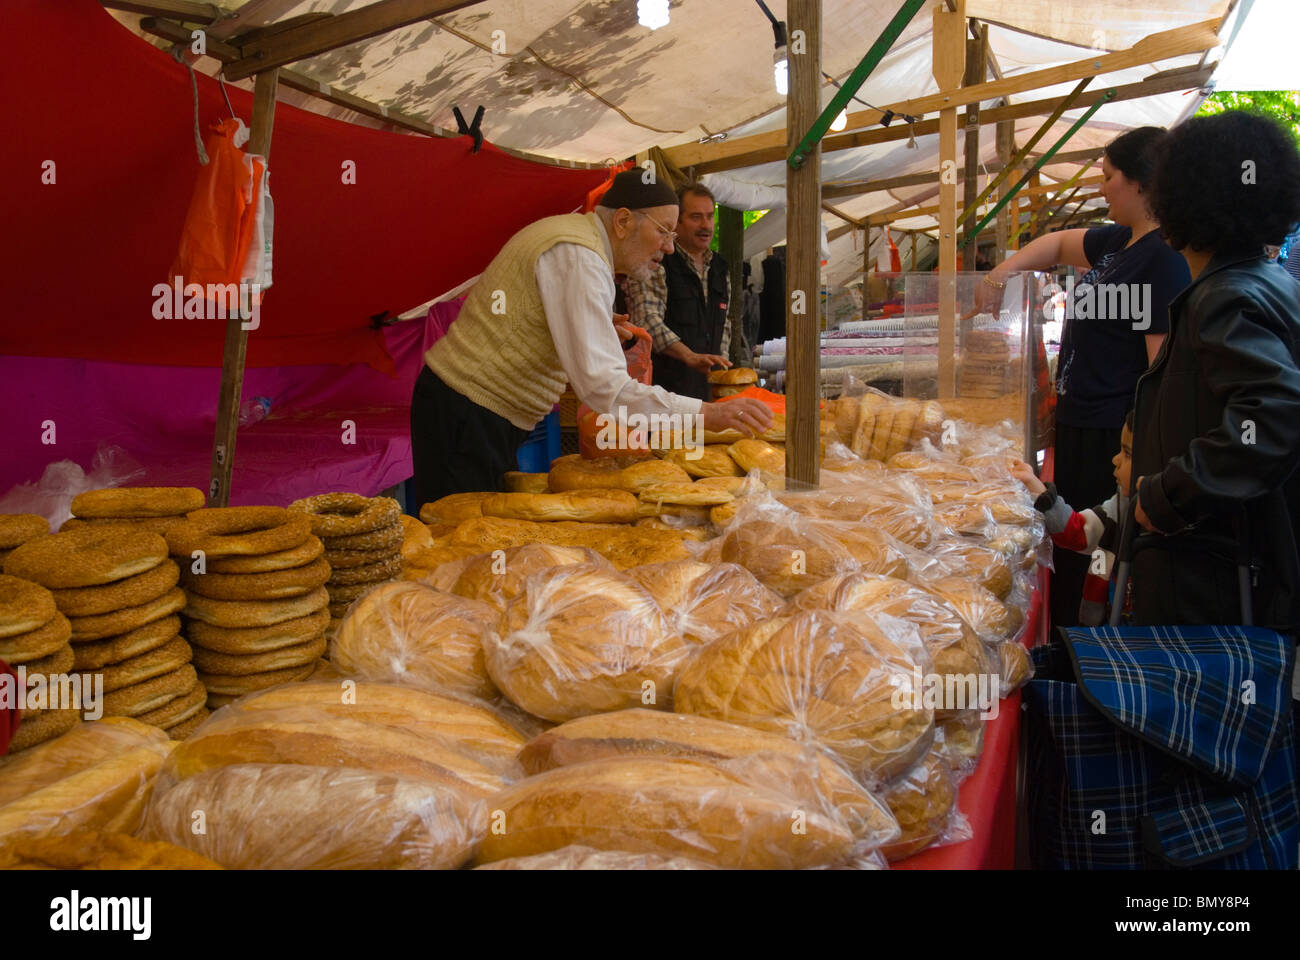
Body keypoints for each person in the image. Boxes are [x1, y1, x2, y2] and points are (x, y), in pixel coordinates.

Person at [409, 170, 774, 505]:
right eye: (663, 231)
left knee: (473, 533)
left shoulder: (581, 246)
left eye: (672, 236)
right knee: (457, 537)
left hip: (478, 411)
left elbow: (541, 315)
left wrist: (595, 324)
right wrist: (704, 414)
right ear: (623, 220)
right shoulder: (581, 256)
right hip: (466, 411)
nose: (667, 247)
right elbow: (605, 390)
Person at [975, 126, 1191, 631]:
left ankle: (1086, 659)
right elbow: (1054, 245)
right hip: (1081, 424)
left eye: (1108, 177)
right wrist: (997, 274)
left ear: (1142, 183)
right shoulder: (1119, 243)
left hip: (1112, 436)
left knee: (1092, 551)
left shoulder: (1161, 258)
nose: (1101, 187)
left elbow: (1160, 370)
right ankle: (1070, 650)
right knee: (1073, 546)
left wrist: (1139, 454)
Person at [1130, 109, 1300, 633]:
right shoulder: (1264, 280)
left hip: (1214, 585)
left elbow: (1274, 415)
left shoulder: (1224, 298)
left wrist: (1167, 495)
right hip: (1238, 570)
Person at [1010, 411, 1133, 626]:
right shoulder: (1116, 510)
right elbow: (1075, 532)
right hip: (1106, 631)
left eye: (1128, 453)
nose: (1116, 459)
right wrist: (1034, 484)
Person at [622, 181, 734, 401]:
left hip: (705, 395)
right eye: (696, 217)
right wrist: (689, 356)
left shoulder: (720, 266)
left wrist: (720, 368)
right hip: (663, 395)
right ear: (676, 222)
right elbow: (646, 321)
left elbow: (726, 322)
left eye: (710, 216)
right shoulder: (658, 259)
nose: (706, 225)